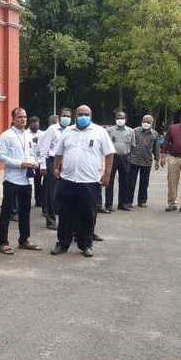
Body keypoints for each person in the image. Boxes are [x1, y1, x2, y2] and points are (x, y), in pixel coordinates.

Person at [50, 105, 114, 258]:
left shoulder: (100, 132)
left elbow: (109, 153)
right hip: (68, 179)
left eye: (86, 114)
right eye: (80, 114)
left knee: (88, 214)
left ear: (91, 116)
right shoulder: (68, 131)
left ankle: (86, 244)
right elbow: (58, 152)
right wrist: (56, 168)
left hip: (90, 181)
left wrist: (107, 175)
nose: (83, 116)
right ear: (75, 115)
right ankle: (63, 243)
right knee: (65, 213)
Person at [0, 107, 42, 255]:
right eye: (20, 117)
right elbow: (0, 156)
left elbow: (34, 152)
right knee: (7, 211)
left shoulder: (29, 136)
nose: (23, 120)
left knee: (25, 211)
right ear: (13, 119)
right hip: (12, 179)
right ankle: (3, 242)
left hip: (26, 180)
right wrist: (19, 163)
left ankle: (24, 239)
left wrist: (34, 162)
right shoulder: (6, 135)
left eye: (25, 117)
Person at [37, 108, 72, 229]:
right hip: (52, 161)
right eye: (64, 115)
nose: (66, 118)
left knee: (64, 191)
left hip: (66, 162)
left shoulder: (71, 130)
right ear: (59, 116)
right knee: (51, 192)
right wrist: (43, 165)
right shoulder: (52, 129)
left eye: (68, 116)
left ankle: (63, 218)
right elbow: (43, 148)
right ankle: (50, 219)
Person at [104, 111, 135, 213]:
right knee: (109, 181)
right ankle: (108, 204)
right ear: (115, 119)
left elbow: (133, 146)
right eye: (118, 118)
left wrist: (130, 158)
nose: (120, 120)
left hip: (126, 157)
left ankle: (123, 204)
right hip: (113, 157)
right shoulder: (109, 130)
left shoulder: (131, 131)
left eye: (122, 118)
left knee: (125, 181)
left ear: (126, 119)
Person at [130, 115, 161, 208]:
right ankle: (128, 201)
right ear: (141, 121)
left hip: (147, 161)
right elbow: (130, 145)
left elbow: (156, 148)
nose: (146, 123)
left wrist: (157, 160)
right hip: (133, 160)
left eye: (148, 122)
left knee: (144, 183)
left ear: (152, 123)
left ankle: (142, 201)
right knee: (131, 182)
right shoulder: (134, 131)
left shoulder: (155, 134)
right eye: (144, 121)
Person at [28, 116, 43, 206]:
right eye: (34, 124)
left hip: (39, 161)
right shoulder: (26, 133)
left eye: (37, 124)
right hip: (29, 161)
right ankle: (27, 200)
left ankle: (38, 200)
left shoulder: (42, 134)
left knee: (38, 182)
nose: (36, 126)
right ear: (30, 124)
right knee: (28, 182)